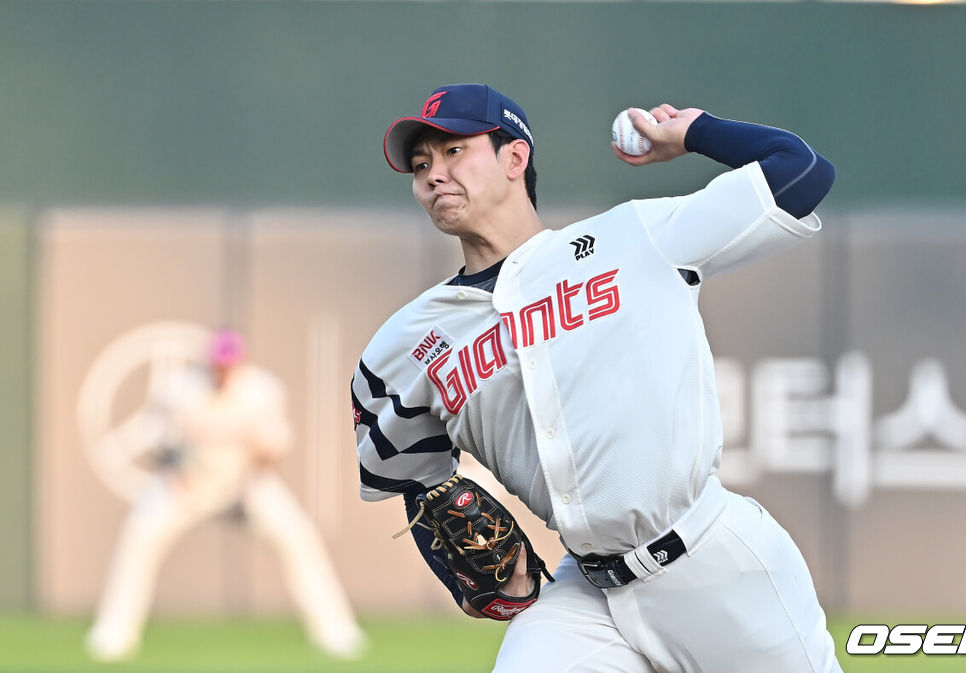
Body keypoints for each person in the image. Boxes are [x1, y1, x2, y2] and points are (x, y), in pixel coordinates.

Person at [352, 83, 841, 672]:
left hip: (718, 569)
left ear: (515, 158)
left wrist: (692, 132)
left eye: (455, 150)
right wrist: (471, 565)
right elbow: (418, 484)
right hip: (588, 596)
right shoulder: (406, 346)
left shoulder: (631, 239)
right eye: (421, 164)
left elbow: (802, 173)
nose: (433, 174)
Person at [87, 330, 366, 662]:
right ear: (209, 362)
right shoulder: (180, 390)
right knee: (140, 536)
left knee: (298, 536)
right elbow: (156, 440)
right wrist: (177, 471)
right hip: (187, 483)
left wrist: (254, 460)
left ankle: (337, 633)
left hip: (245, 483)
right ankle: (114, 635)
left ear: (239, 363)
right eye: (218, 364)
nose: (222, 370)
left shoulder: (262, 390)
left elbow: (273, 451)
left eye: (229, 364)